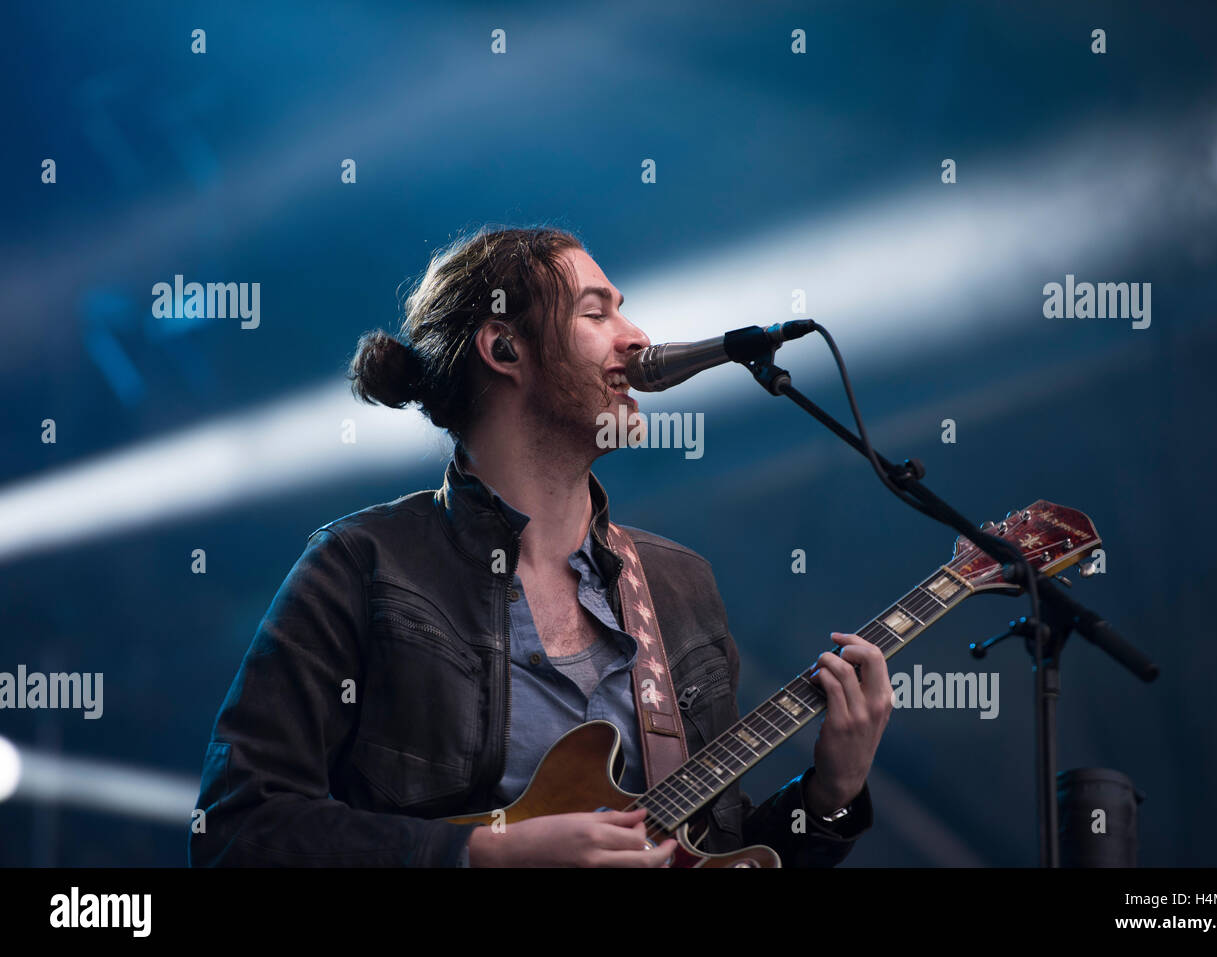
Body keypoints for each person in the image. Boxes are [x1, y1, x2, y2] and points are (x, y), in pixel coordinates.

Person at [189, 225, 894, 867]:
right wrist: (481, 855)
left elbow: (722, 851)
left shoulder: (679, 586)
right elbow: (236, 832)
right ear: (503, 347)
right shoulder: (359, 566)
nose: (635, 334)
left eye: (623, 307)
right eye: (597, 312)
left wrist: (828, 797)